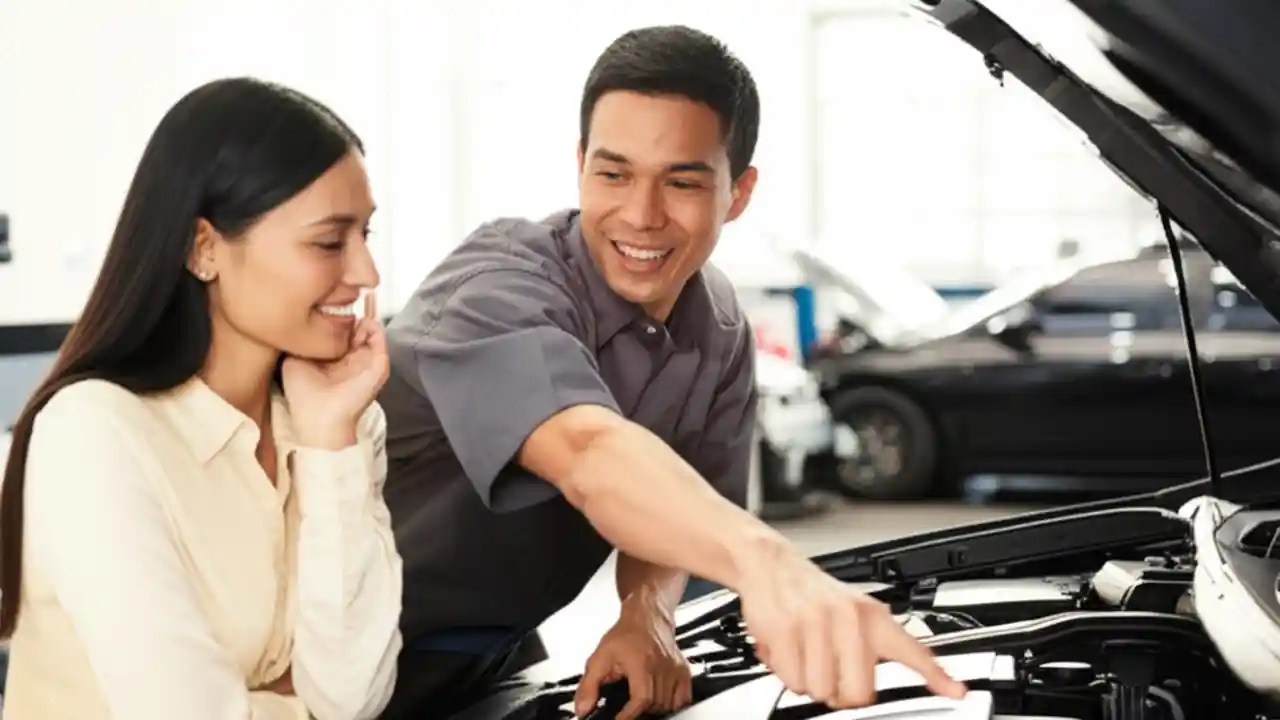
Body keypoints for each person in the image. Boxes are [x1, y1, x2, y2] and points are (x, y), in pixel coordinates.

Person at [378, 25, 968, 718]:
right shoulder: (498, 286)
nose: (641, 214)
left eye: (681, 181)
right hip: (334, 660)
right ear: (580, 165)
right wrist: (771, 566)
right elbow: (586, 450)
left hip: (496, 650)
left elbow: (686, 508)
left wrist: (646, 610)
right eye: (614, 173)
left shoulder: (718, 327)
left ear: (738, 192)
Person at [0, 77, 404, 720]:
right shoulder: (94, 433)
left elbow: (354, 697)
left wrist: (330, 442)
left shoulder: (341, 420)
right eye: (330, 242)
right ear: (205, 249)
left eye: (365, 236)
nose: (365, 274)